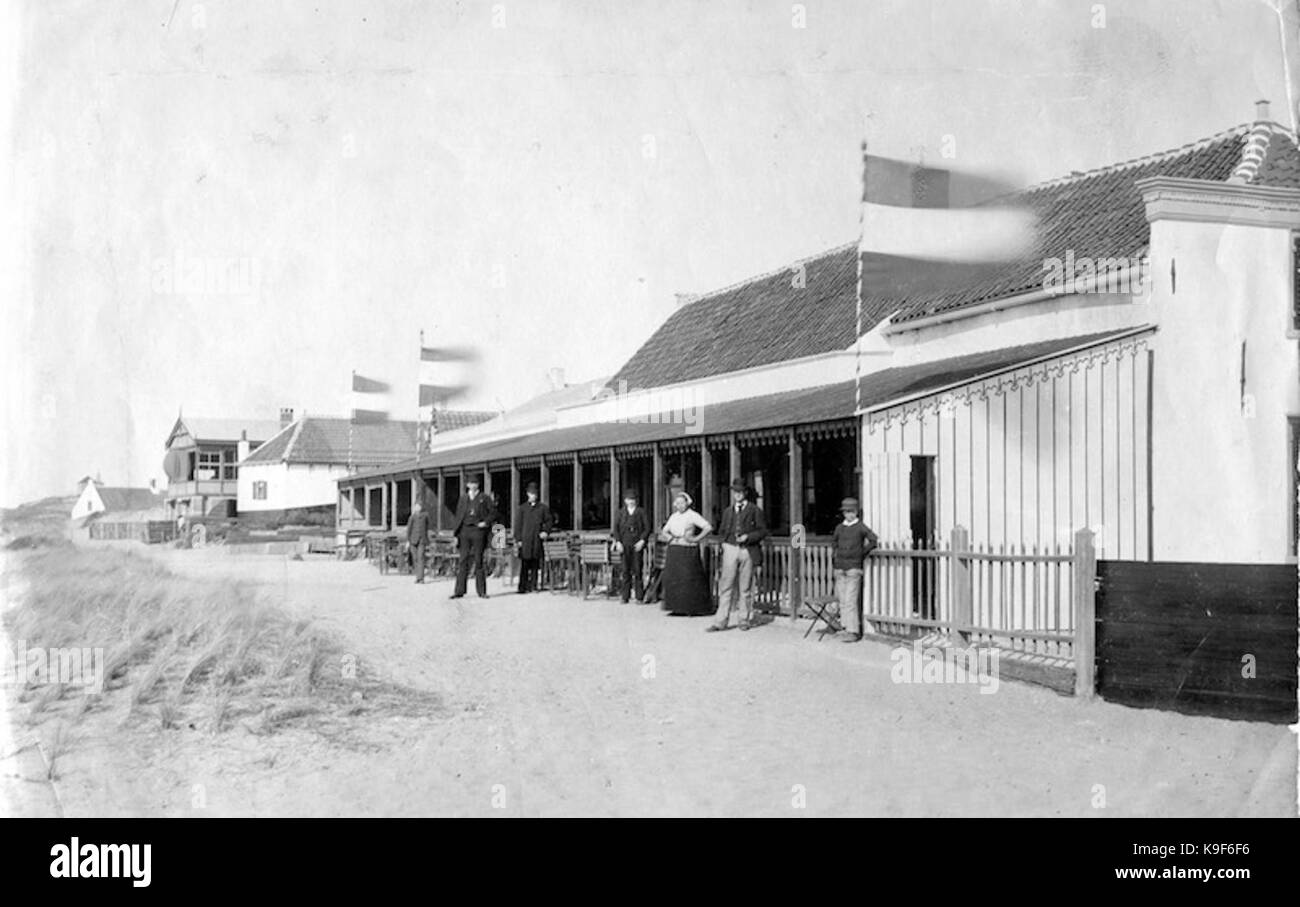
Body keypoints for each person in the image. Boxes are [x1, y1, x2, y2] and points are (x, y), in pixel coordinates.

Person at [708, 478, 769, 632]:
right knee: (726, 586)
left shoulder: (754, 510)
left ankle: (744, 620)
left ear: (745, 493)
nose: (738, 494)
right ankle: (720, 621)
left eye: (740, 491)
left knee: (745, 587)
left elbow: (762, 531)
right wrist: (724, 543)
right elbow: (722, 530)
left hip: (747, 550)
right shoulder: (728, 511)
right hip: (730, 549)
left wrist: (748, 537)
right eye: (735, 492)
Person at [658, 491, 713, 616]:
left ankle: (691, 608)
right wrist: (670, 538)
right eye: (677, 503)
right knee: (675, 578)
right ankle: (677, 608)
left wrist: (696, 538)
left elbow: (708, 527)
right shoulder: (673, 516)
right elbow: (664, 530)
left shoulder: (692, 515)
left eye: (682, 503)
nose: (680, 505)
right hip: (674, 549)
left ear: (687, 503)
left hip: (688, 549)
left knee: (689, 578)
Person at [831, 497, 879, 642]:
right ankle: (845, 627)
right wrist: (836, 557)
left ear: (856, 512)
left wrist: (861, 553)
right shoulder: (840, 528)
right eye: (846, 512)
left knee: (850, 600)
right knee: (842, 600)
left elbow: (873, 540)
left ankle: (853, 631)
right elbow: (834, 542)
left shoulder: (860, 527)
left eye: (851, 511)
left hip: (853, 568)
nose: (849, 515)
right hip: (840, 568)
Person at [451, 477, 496, 599]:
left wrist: (485, 522)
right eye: (470, 483)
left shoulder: (484, 498)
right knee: (463, 560)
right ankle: (459, 590)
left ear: (478, 484)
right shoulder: (463, 498)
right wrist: (456, 534)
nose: (472, 486)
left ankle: (481, 591)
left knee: (478, 560)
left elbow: (493, 513)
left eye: (475, 483)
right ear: (467, 485)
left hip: (478, 531)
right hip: (465, 531)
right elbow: (458, 515)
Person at [612, 489, 651, 603]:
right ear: (625, 500)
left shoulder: (641, 512)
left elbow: (647, 528)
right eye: (629, 499)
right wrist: (618, 542)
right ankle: (625, 596)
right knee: (625, 571)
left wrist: (642, 540)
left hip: (637, 543)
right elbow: (616, 529)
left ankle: (639, 597)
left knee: (638, 570)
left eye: (633, 499)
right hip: (624, 544)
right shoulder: (620, 513)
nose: (631, 501)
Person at [515, 481, 554, 593]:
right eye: (531, 493)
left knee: (535, 564)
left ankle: (533, 586)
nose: (533, 496)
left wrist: (546, 531)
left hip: (536, 539)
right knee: (524, 564)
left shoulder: (542, 508)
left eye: (535, 494)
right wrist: (518, 539)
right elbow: (518, 525)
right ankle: (522, 587)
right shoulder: (522, 508)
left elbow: (549, 521)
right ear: (527, 494)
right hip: (525, 540)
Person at [406, 500, 432, 583]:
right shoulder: (412, 517)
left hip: (422, 540)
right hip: (413, 540)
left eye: (419, 506)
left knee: (421, 557)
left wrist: (429, 536)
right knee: (415, 558)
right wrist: (408, 541)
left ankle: (421, 578)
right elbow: (409, 529)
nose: (418, 507)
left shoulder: (425, 516)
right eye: (416, 506)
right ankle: (418, 576)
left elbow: (429, 526)